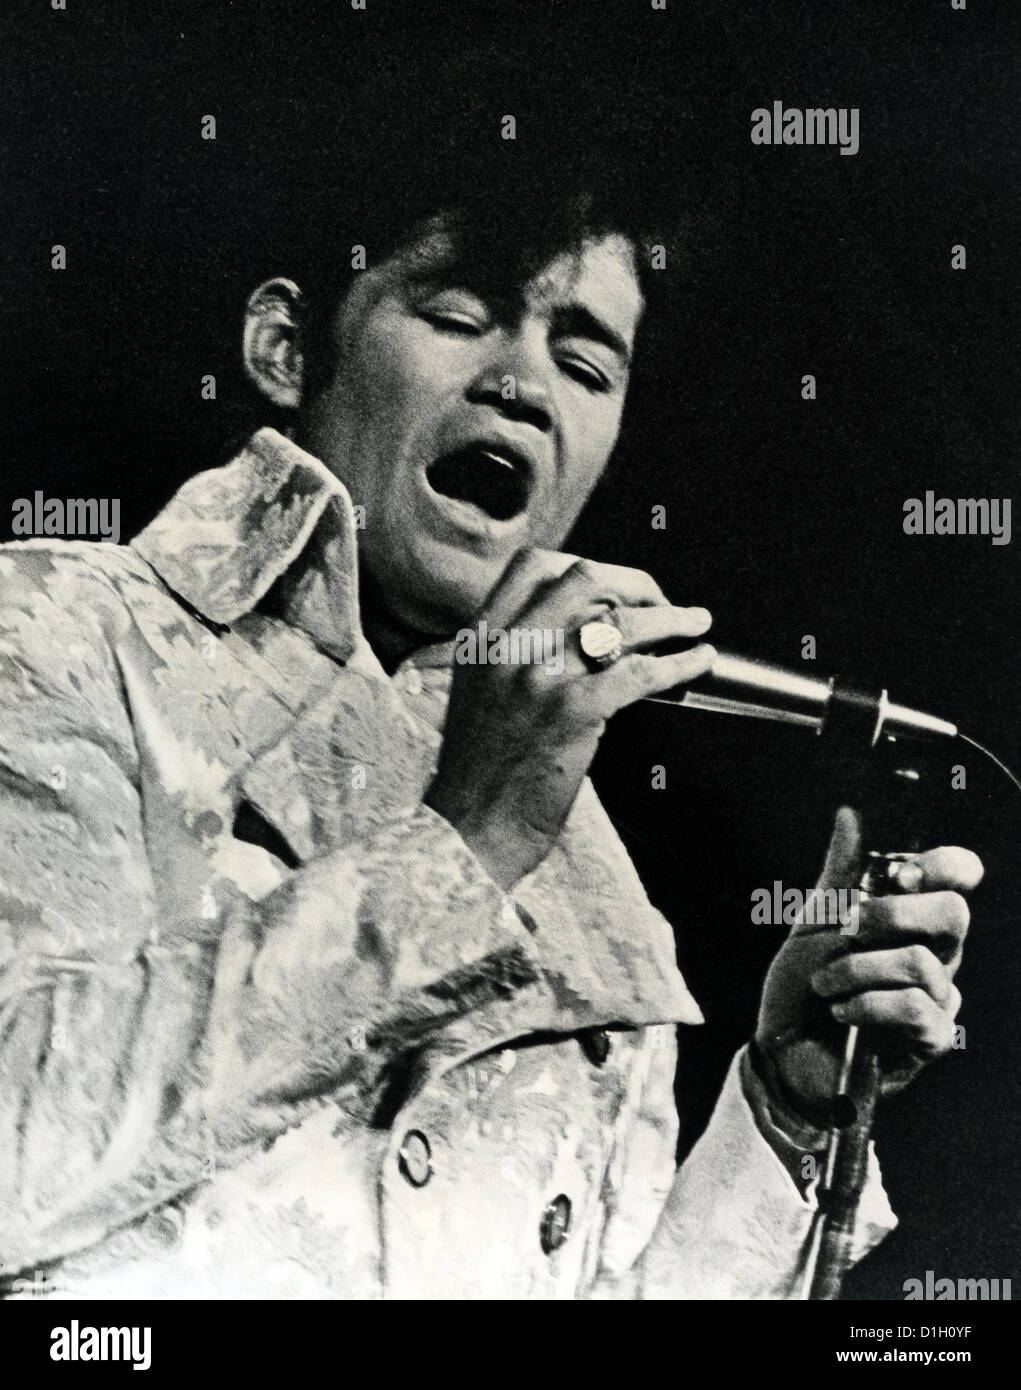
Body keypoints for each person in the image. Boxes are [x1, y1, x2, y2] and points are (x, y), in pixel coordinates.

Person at [0, 62, 980, 1300]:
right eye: (461, 314)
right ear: (286, 347)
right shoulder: (52, 628)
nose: (521, 382)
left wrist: (783, 1111)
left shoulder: (588, 865)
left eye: (585, 361)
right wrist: (456, 853)